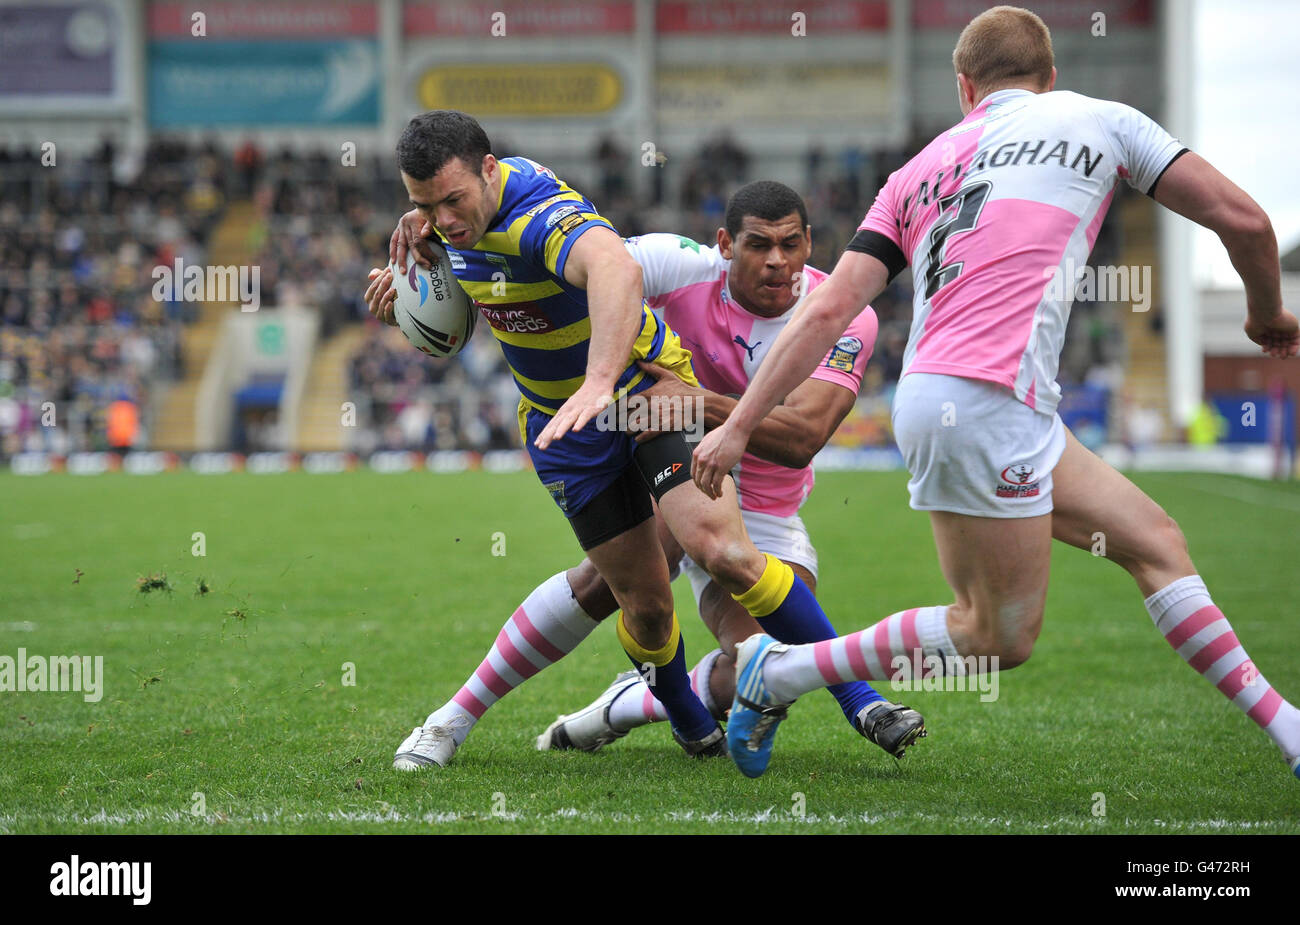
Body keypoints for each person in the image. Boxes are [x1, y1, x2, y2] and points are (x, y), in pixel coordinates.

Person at [691, 6, 1300, 779]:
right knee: (995, 637)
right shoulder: (1100, 119)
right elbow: (1247, 221)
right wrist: (1266, 313)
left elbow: (829, 308)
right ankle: (775, 672)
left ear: (964, 88)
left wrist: (740, 423)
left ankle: (1287, 730)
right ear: (1050, 77)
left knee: (1156, 543)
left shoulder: (916, 170)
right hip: (985, 397)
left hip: (972, 395)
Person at [367, 113, 913, 772]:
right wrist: (414, 278)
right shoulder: (449, 224)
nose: (445, 217)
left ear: (490, 170)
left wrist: (602, 379)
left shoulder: (544, 216)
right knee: (645, 606)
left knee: (724, 552)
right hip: (561, 425)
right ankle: (682, 716)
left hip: (648, 399)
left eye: (453, 200)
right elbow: (460, 308)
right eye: (426, 204)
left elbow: (613, 268)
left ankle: (862, 701)